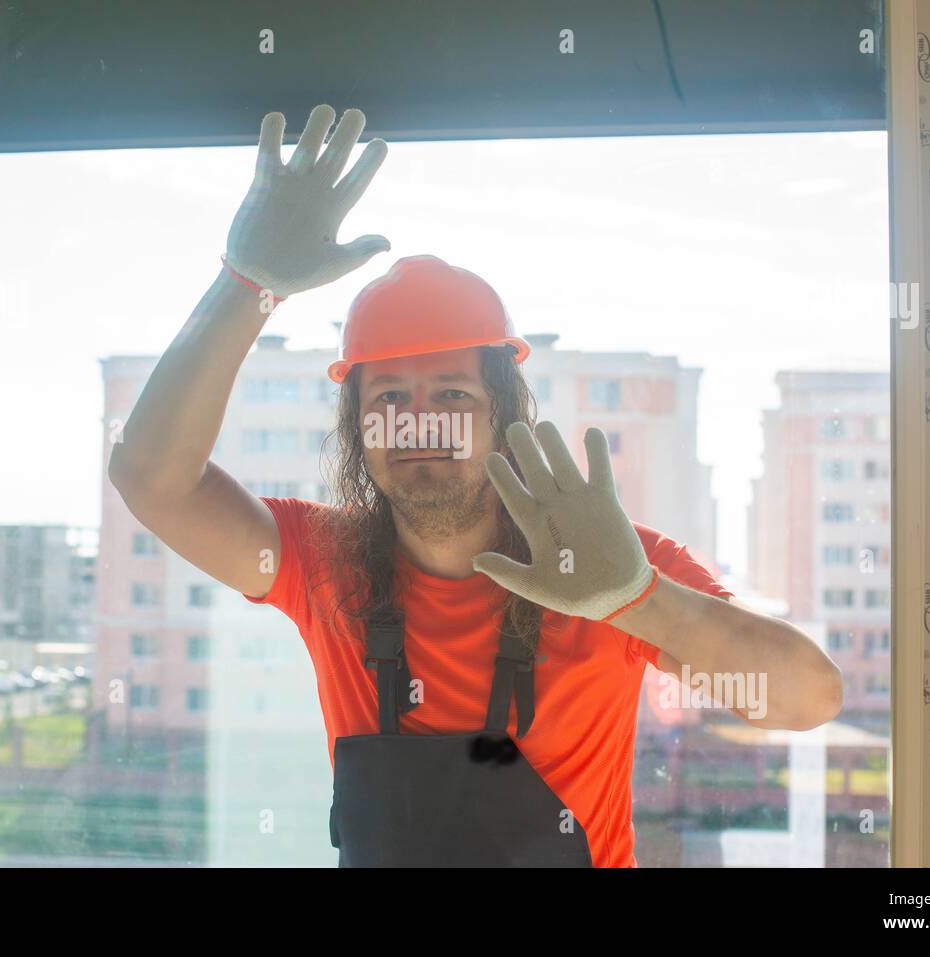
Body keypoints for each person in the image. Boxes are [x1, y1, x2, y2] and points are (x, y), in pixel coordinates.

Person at [108, 103, 843, 867]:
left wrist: (637, 599)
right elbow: (150, 479)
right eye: (389, 397)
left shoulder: (605, 565)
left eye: (453, 394)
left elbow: (806, 699)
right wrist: (246, 285)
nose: (420, 420)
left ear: (502, 416)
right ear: (358, 425)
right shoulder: (318, 563)